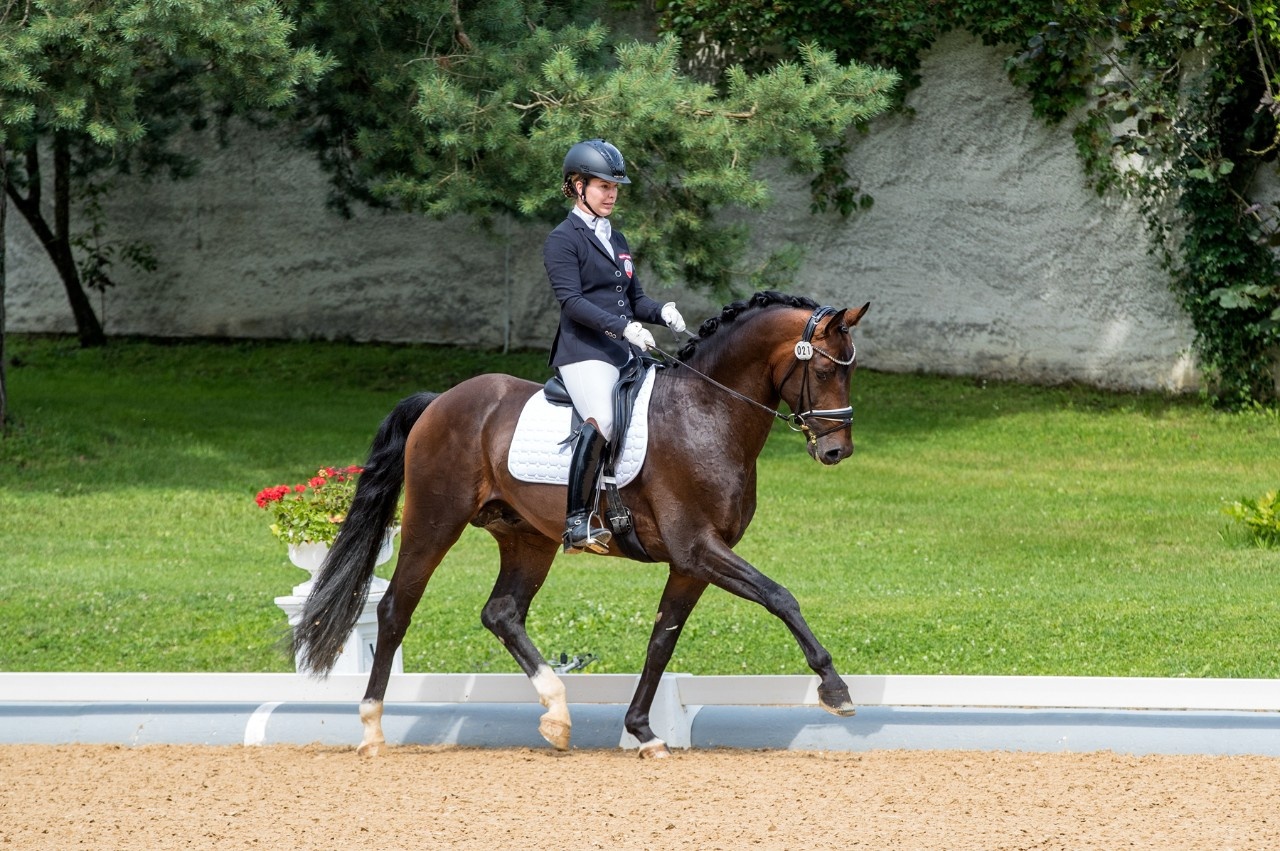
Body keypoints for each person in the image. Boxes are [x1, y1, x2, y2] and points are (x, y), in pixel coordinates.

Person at [544, 138, 686, 555]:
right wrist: (624, 329)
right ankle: (575, 522)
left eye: (615, 187)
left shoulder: (616, 238)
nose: (612, 194)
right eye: (603, 186)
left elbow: (635, 299)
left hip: (623, 348)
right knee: (603, 419)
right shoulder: (561, 240)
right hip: (584, 351)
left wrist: (662, 312)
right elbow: (572, 302)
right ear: (577, 186)